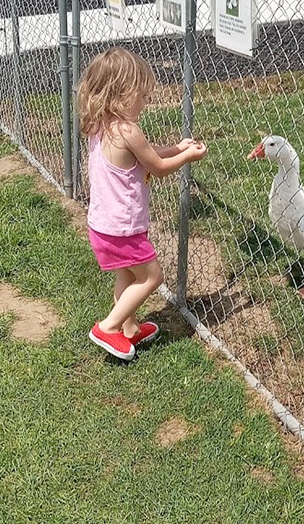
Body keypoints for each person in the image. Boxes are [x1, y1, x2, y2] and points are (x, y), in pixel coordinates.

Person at [78, 46, 208, 360]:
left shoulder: (102, 125)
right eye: (142, 95)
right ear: (120, 94)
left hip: (102, 225)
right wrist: (188, 155)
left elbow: (147, 154)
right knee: (151, 277)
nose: (146, 103)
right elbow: (157, 168)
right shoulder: (129, 130)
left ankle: (131, 329)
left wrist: (175, 146)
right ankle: (108, 327)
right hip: (124, 228)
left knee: (127, 275)